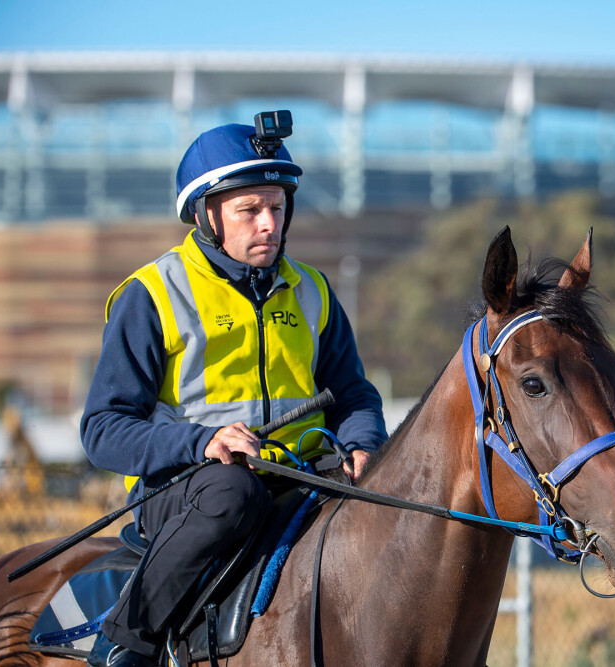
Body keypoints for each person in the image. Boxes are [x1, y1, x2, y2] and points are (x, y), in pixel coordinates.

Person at [80, 113, 387, 667]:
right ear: (206, 216)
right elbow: (102, 429)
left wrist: (364, 444)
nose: (268, 223)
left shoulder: (314, 290)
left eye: (276, 206)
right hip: (189, 490)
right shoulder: (150, 295)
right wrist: (201, 443)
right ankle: (125, 647)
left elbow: (355, 396)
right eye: (249, 210)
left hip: (299, 473)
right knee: (233, 492)